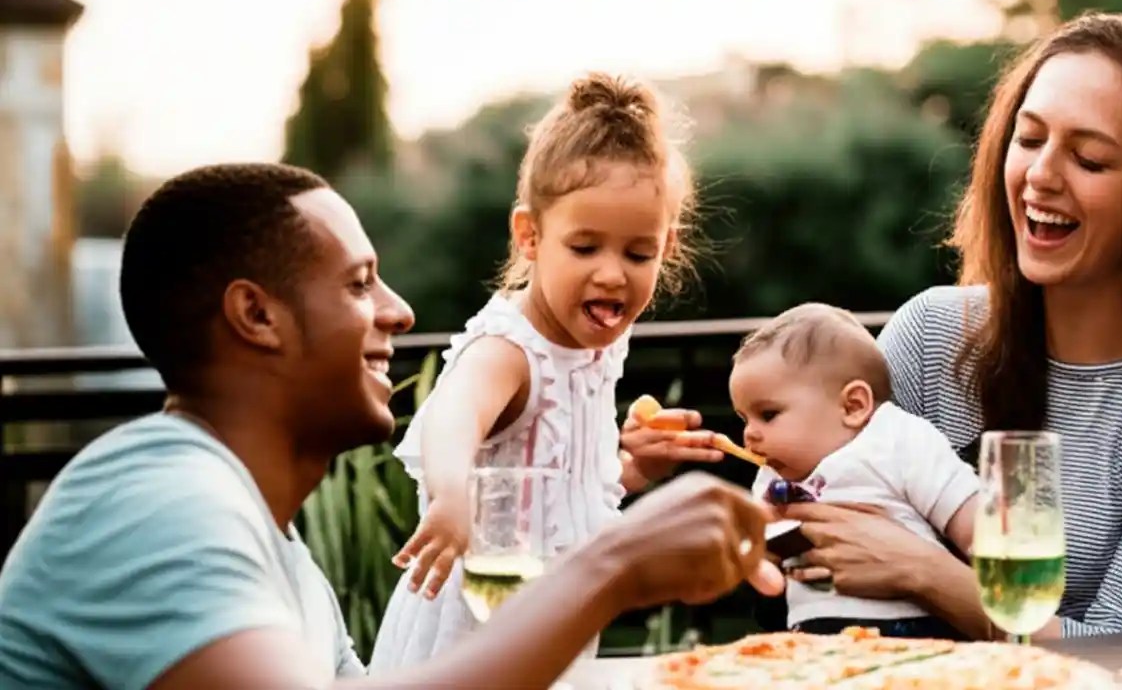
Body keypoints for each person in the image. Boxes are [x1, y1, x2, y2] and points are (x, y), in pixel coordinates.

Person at [0, 163, 782, 690]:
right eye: (358, 283)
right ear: (255, 316)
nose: (398, 312)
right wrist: (613, 565)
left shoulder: (286, 565)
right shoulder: (157, 502)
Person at [778, 11, 1122, 640]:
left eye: (1089, 159)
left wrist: (925, 574)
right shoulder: (930, 338)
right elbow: (822, 530)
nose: (1041, 175)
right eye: (1029, 139)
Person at [368, 71, 725, 669]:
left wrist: (629, 468)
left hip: (546, 624)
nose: (612, 273)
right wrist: (452, 493)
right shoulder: (511, 349)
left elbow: (557, 492)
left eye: (638, 253)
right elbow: (454, 415)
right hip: (475, 638)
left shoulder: (596, 347)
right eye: (585, 248)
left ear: (666, 247)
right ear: (530, 236)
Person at [730, 303, 977, 639]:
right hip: (810, 635)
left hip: (911, 627)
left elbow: (972, 518)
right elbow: (760, 558)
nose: (749, 435)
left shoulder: (895, 439)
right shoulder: (774, 476)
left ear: (853, 406)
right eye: (745, 419)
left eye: (768, 414)